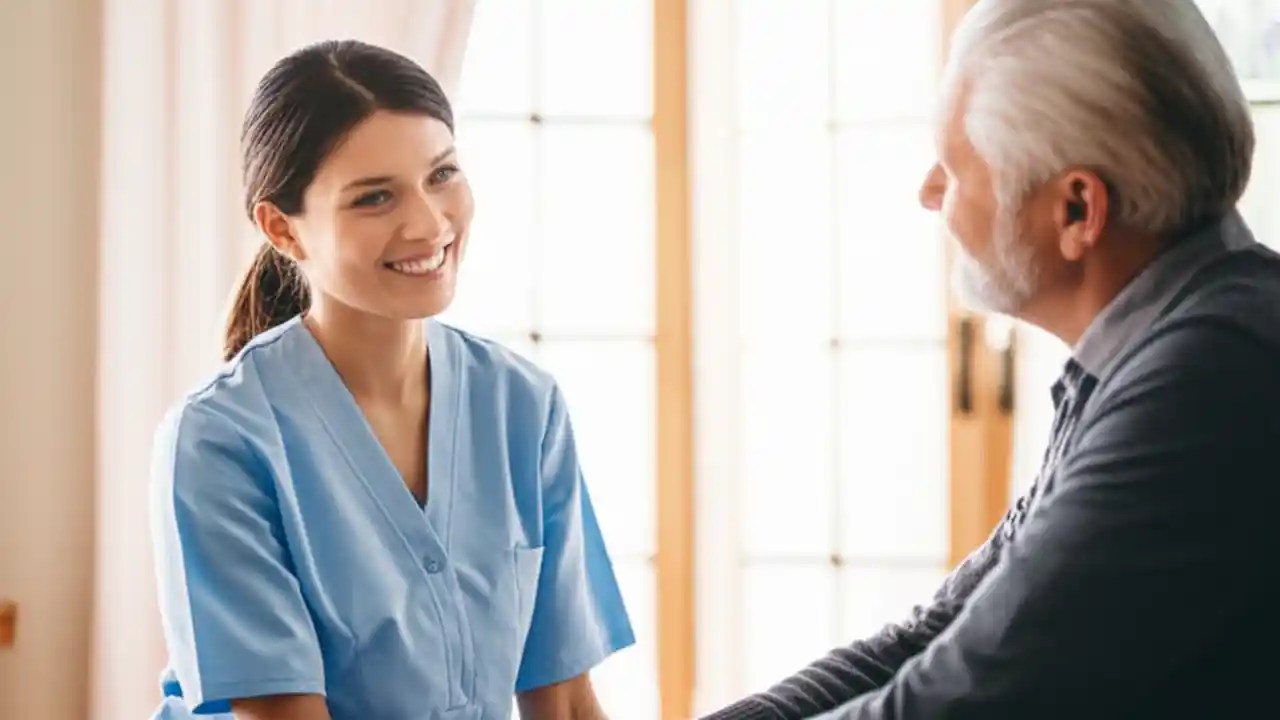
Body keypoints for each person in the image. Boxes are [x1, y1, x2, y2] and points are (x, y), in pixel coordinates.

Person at [705, 1, 1280, 718]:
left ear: (1077, 210)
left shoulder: (1210, 375)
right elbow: (934, 636)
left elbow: (960, 698)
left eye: (955, 165)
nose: (928, 191)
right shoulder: (1163, 341)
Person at [149, 40, 633, 720]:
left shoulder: (524, 407)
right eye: (374, 197)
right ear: (283, 229)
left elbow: (566, 701)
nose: (429, 224)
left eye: (442, 175)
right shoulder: (217, 443)